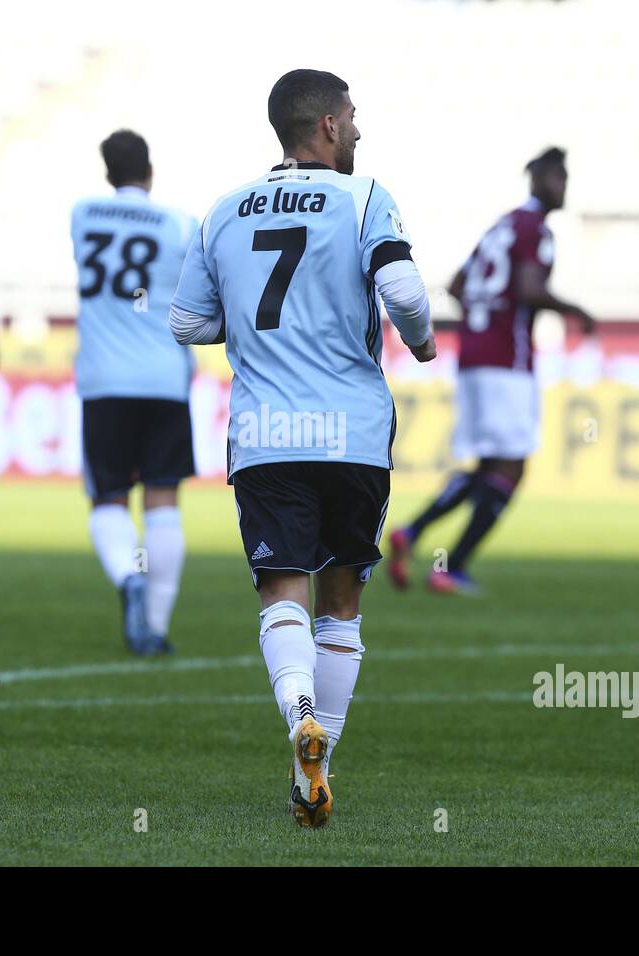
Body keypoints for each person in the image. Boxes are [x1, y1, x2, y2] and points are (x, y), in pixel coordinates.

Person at [170, 69, 436, 828]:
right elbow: (408, 297)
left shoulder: (224, 209)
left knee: (281, 591)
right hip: (351, 433)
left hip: (267, 437)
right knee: (341, 605)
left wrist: (253, 328)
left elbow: (187, 324)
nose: (357, 130)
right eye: (351, 118)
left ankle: (299, 717)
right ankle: (308, 768)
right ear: (325, 125)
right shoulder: (364, 198)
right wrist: (420, 345)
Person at [388, 147, 595, 595]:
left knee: (486, 465)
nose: (564, 188)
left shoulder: (502, 225)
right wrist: (574, 310)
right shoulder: (535, 228)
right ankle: (452, 566)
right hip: (507, 361)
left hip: (474, 356)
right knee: (512, 468)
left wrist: (486, 314)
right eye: (559, 179)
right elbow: (528, 288)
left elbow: (460, 285)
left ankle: (413, 532)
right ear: (539, 181)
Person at [70, 130, 197, 656]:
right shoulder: (180, 224)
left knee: (109, 498)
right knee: (163, 501)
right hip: (165, 378)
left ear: (107, 174)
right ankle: (158, 627)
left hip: (105, 379)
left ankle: (128, 576)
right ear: (151, 171)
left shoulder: (83, 214)